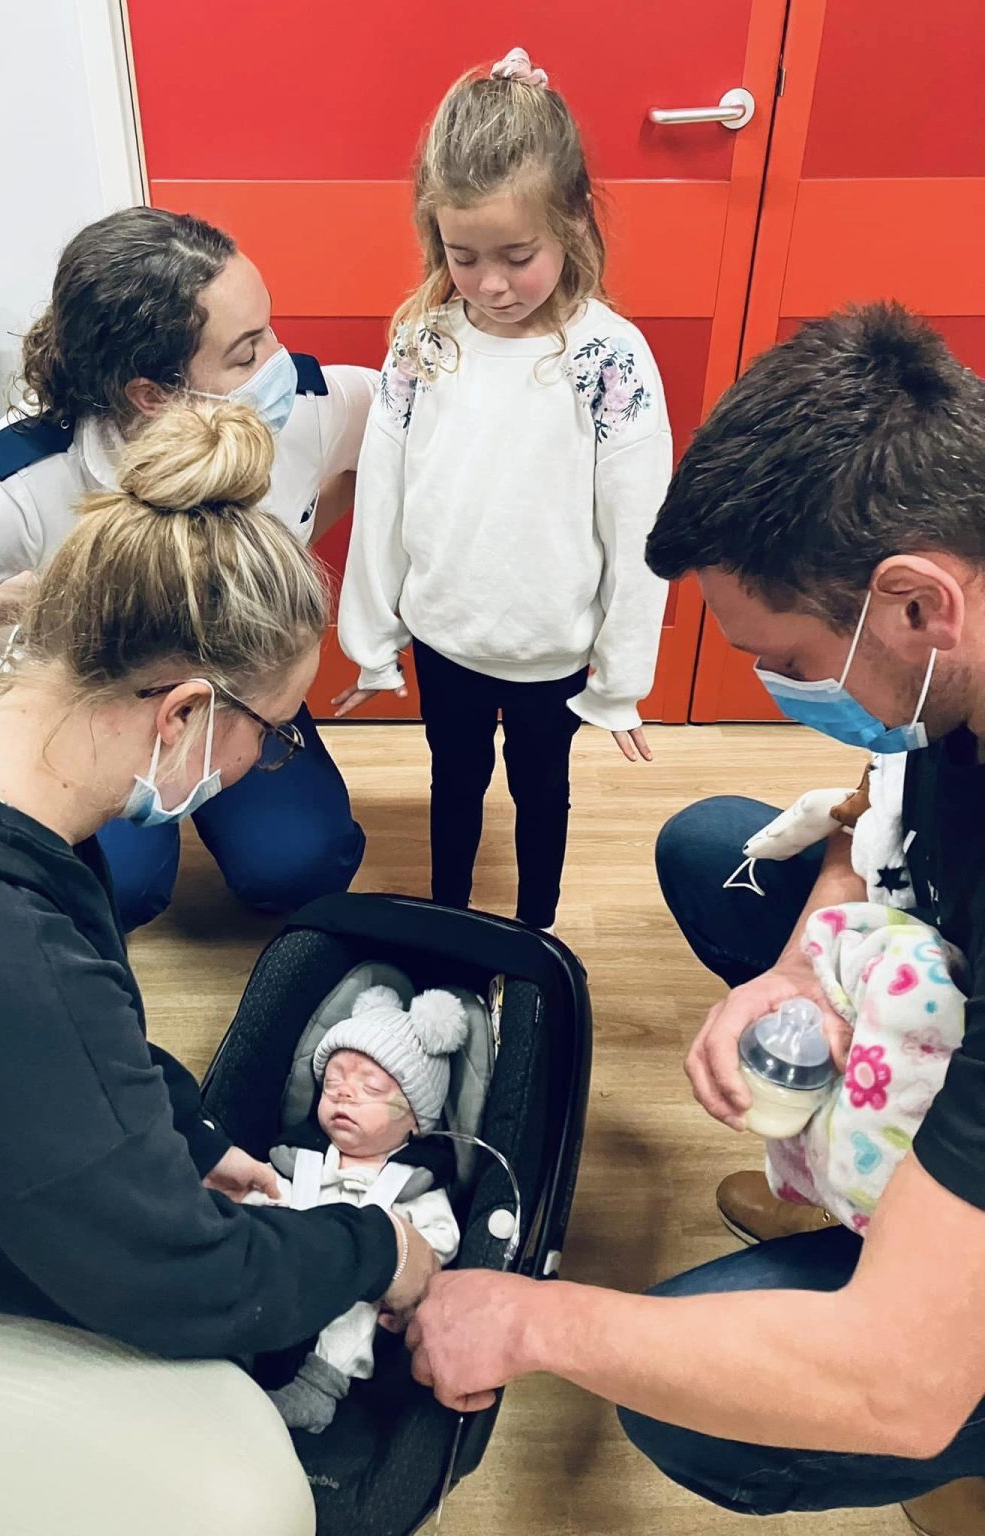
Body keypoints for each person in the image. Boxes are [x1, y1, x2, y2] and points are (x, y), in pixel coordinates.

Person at [404, 305, 985, 1532]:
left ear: (918, 604)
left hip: (919, 1363)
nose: (782, 691)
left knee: (699, 1411)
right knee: (713, 849)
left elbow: (897, 1385)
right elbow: (875, 802)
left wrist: (532, 1319)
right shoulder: (952, 662)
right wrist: (804, 968)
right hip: (944, 974)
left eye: (793, 660)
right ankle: (877, 1195)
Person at [0, 400, 437, 1536]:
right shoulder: (1, 956)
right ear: (189, 711)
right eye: (275, 731)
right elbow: (177, 1280)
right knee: (243, 1489)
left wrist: (188, 1134)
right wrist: (378, 1249)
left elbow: (44, 1057)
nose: (268, 758)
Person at [0, 206, 373, 931]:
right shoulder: (28, 476)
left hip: (234, 686)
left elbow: (380, 450)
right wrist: (37, 603)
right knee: (117, 888)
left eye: (269, 329)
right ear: (151, 394)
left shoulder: (304, 407)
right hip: (102, 698)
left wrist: (274, 572)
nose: (277, 362)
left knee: (301, 863)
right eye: (246, 356)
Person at [334, 47, 672, 931]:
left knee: (540, 792)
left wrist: (622, 677)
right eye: (464, 256)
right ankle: (450, 921)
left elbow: (639, 522)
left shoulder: (609, 356)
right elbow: (385, 490)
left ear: (573, 222)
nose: (491, 283)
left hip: (549, 651)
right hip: (445, 634)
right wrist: (371, 637)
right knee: (454, 781)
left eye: (518, 256)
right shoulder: (424, 340)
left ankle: (534, 935)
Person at [244, 985, 466, 1432]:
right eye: (332, 1084)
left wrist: (404, 1247)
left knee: (360, 1303)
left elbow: (443, 1238)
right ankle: (237, 1351)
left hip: (359, 1285)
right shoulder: (300, 1158)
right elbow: (269, 1192)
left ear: (415, 1118)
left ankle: (319, 1389)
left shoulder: (414, 1183)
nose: (344, 1094)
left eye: (371, 1087)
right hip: (289, 1266)